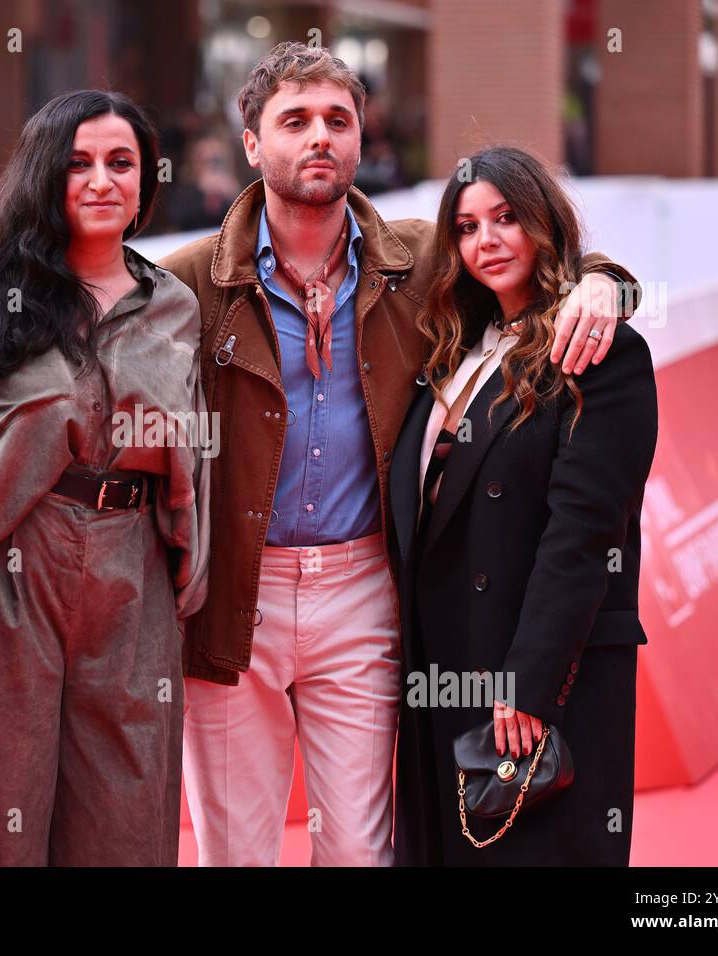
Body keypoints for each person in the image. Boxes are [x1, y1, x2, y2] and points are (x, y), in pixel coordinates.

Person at [159, 41, 641, 867]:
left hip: (364, 590)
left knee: (363, 850)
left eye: (338, 121)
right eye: (296, 121)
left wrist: (607, 282)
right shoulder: (189, 281)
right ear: (251, 144)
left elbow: (527, 251)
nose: (320, 137)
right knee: (233, 851)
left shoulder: (420, 261)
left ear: (359, 137)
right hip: (236, 591)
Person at [0, 89, 209, 866]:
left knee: (126, 801)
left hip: (132, 568)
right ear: (45, 176)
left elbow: (192, 448)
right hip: (5, 561)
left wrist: (183, 558)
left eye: (121, 164)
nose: (102, 181)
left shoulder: (172, 305)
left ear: (146, 181)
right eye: (78, 165)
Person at [389, 146, 658, 866]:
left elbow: (584, 533)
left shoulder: (601, 352)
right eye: (469, 227)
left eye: (507, 218)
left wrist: (530, 683)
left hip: (537, 672)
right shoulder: (450, 351)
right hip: (440, 672)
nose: (488, 241)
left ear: (544, 222)